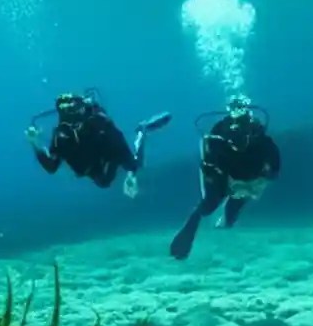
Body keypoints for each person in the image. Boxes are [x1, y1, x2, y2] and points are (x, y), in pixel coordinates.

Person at [170, 95, 280, 260]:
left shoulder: (258, 133)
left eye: (240, 106)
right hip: (224, 176)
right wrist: (211, 171)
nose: (237, 111)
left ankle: (226, 222)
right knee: (208, 206)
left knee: (234, 208)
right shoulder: (220, 129)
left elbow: (273, 156)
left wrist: (270, 173)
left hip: (248, 178)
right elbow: (208, 157)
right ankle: (189, 235)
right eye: (233, 106)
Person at [27, 91, 171, 197]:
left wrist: (131, 175)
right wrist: (35, 142)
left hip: (110, 154)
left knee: (134, 165)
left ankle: (142, 130)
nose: (71, 121)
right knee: (104, 183)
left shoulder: (99, 123)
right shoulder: (61, 135)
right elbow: (51, 166)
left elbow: (119, 146)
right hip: (92, 167)